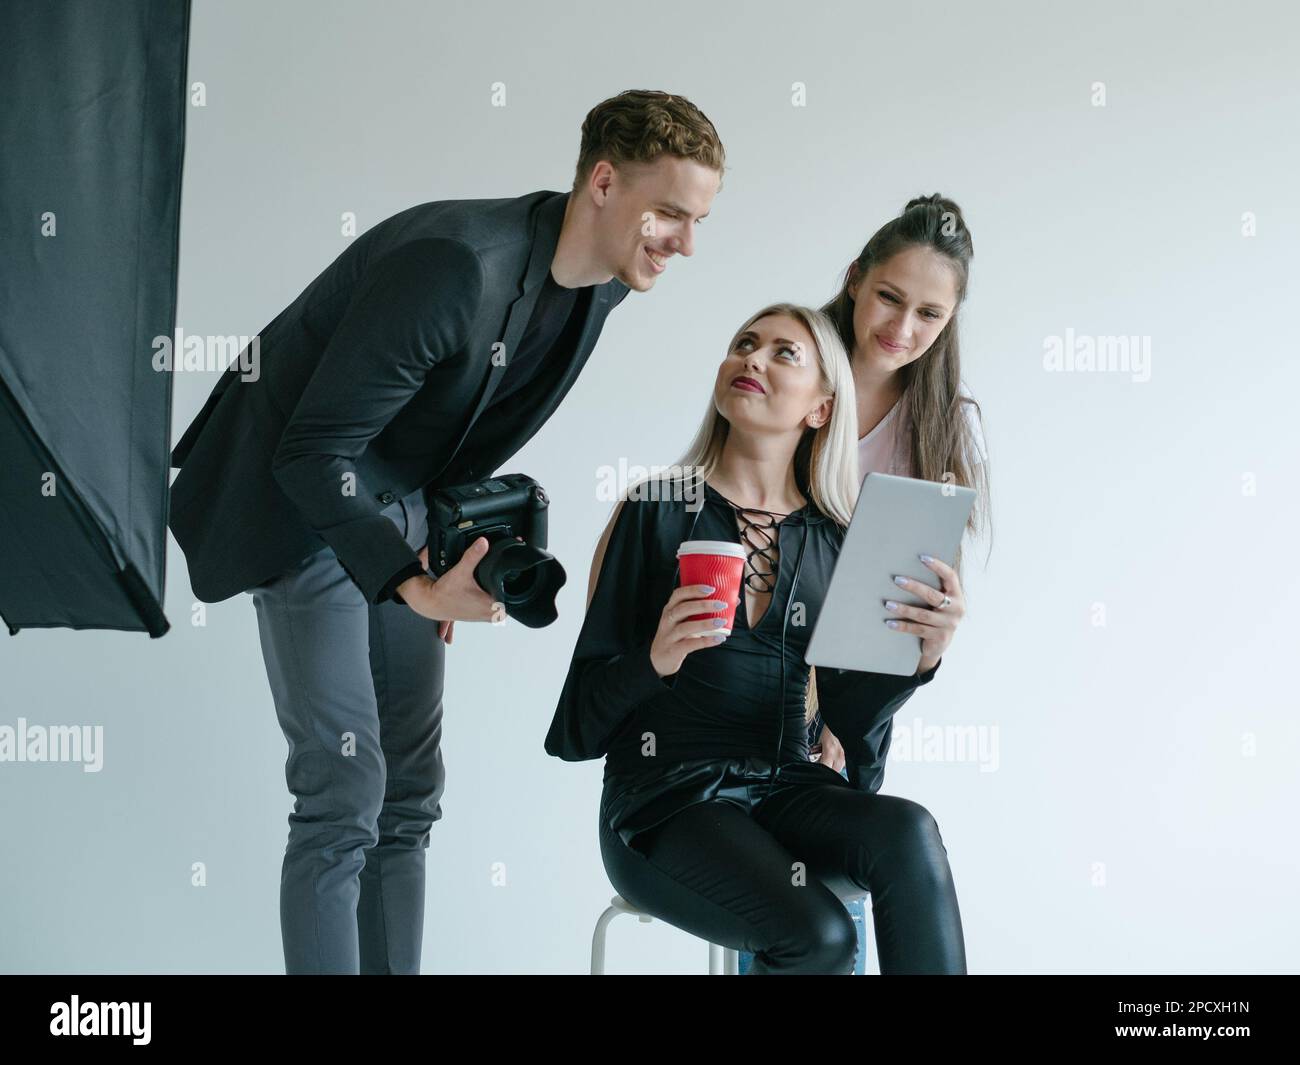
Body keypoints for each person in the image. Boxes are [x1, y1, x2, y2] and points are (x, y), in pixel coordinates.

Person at [167, 90, 724, 974]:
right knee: (343, 790)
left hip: (406, 504)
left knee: (411, 792)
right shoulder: (458, 264)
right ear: (605, 182)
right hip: (307, 503)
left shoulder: (603, 290)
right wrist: (407, 579)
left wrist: (447, 552)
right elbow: (311, 450)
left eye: (699, 220)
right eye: (670, 213)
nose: (686, 242)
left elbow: (463, 425)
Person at [545, 303, 969, 974]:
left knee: (908, 830)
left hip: (785, 790)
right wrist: (656, 658)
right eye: (744, 343)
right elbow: (577, 728)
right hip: (663, 804)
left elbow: (858, 742)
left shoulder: (836, 539)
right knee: (821, 935)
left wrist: (922, 658)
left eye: (783, 353)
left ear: (821, 408)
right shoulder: (656, 509)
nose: (753, 359)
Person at [738, 193, 991, 972]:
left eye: (928, 315)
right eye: (889, 297)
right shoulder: (787, 373)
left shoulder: (940, 423)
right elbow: (738, 544)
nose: (902, 330)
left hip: (853, 703)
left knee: (851, 877)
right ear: (854, 278)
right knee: (797, 911)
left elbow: (890, 611)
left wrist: (931, 642)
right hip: (749, 691)